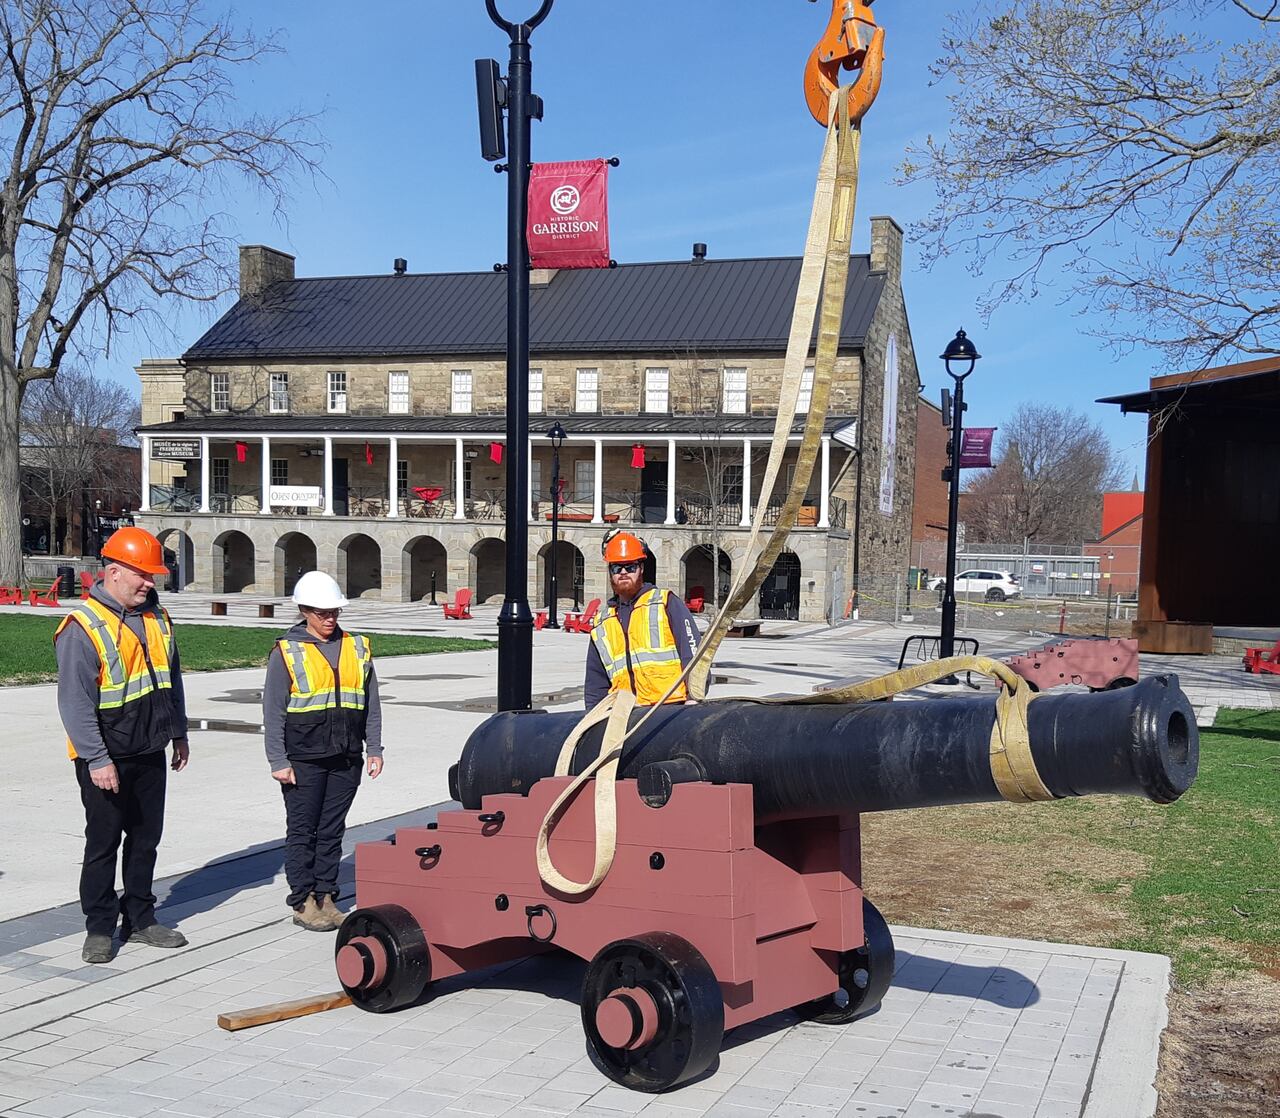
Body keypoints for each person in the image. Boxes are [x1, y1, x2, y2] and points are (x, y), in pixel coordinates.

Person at [55, 526, 190, 964]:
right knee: (103, 843)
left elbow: (172, 681)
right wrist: (96, 758)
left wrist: (179, 733)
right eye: (143, 575)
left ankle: (140, 918)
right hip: (105, 758)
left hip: (149, 749)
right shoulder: (83, 627)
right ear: (114, 572)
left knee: (146, 839)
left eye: (153, 576)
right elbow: (75, 703)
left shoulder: (157, 617)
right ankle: (98, 926)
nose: (151, 583)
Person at [262, 571, 383, 932]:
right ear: (304, 610)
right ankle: (303, 900)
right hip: (303, 759)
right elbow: (273, 710)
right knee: (303, 830)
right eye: (321, 613)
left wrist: (373, 747)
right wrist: (278, 761)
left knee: (332, 830)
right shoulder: (287, 650)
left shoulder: (357, 647)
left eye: (334, 612)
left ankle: (327, 894)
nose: (329, 619)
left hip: (345, 757)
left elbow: (371, 704)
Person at [584, 531, 701, 709]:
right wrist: (593, 716)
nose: (623, 573)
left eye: (630, 567)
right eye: (617, 568)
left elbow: (693, 655)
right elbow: (595, 681)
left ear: (641, 568)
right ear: (610, 572)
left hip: (670, 708)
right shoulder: (602, 623)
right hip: (624, 713)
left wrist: (693, 698)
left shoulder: (665, 603)